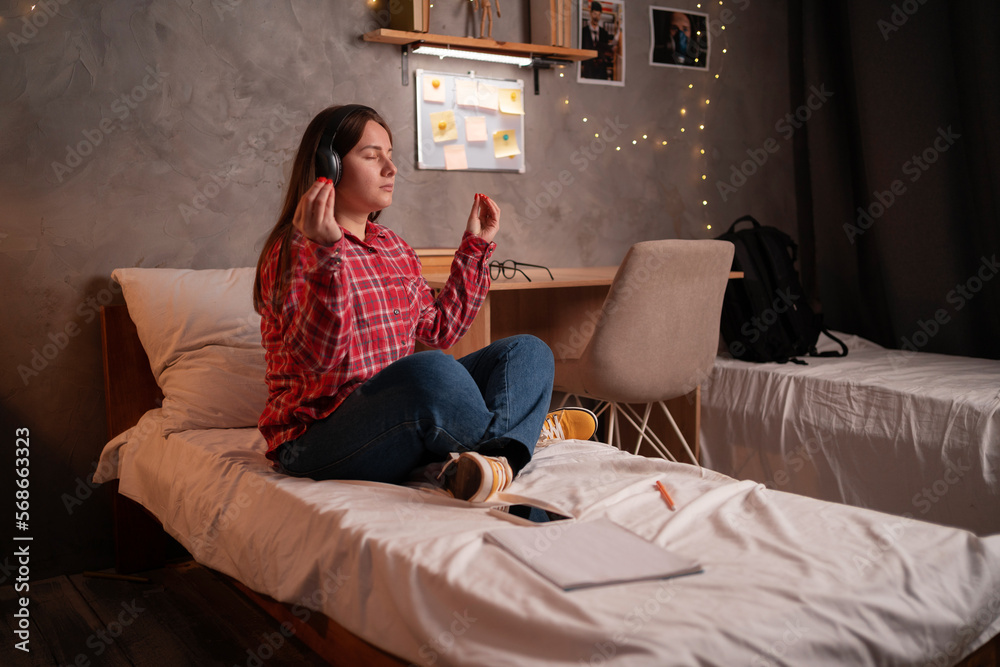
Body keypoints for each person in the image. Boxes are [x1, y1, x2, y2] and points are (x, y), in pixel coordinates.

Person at [252, 104, 597, 502]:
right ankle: (521, 437)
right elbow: (320, 360)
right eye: (372, 156)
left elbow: (439, 331)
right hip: (318, 437)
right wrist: (326, 256)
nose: (391, 168)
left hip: (397, 416)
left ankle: (498, 457)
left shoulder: (394, 247)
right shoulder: (295, 250)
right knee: (431, 370)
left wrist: (475, 248)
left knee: (527, 351)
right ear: (329, 165)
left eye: (390, 155)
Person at [581, 1, 613, 80]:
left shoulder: (604, 33)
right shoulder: (583, 31)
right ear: (590, 13)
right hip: (588, 69)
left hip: (601, 71)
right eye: (595, 14)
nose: (596, 18)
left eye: (599, 15)